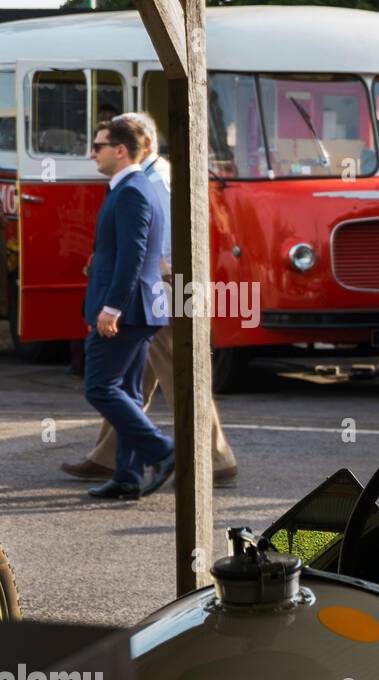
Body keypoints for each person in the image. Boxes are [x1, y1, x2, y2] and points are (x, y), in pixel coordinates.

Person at [61, 112, 239, 486]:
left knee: (177, 376)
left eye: (101, 145)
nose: (95, 152)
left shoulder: (152, 182)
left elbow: (156, 245)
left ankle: (212, 459)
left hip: (162, 286)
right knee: (132, 380)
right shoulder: (162, 174)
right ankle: (111, 458)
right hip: (166, 285)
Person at [80, 114, 174, 501]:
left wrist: (113, 307)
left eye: (99, 146)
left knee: (100, 387)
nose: (93, 153)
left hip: (129, 310)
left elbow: (133, 256)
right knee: (129, 393)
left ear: (120, 150)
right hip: (140, 309)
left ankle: (162, 450)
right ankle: (128, 476)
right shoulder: (131, 186)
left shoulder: (132, 190)